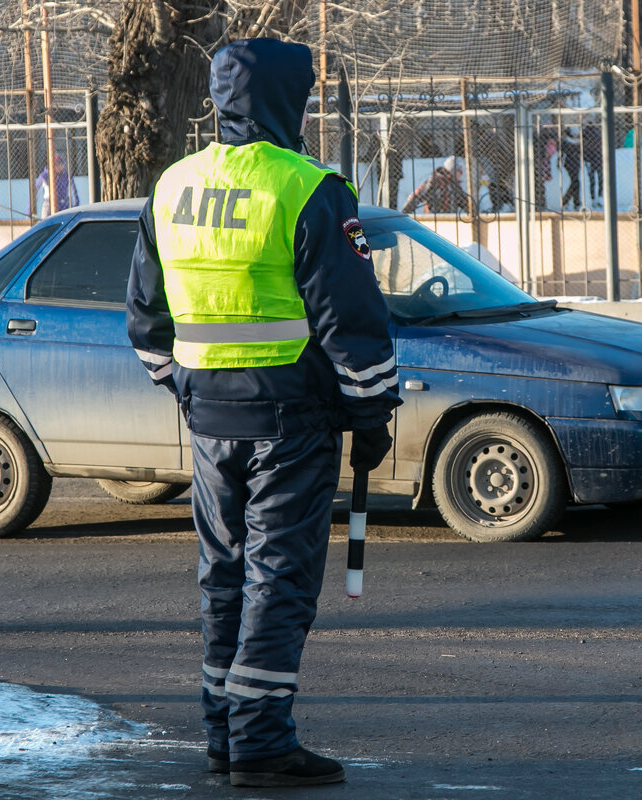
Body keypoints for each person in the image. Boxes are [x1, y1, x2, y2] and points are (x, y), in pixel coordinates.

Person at [126, 38, 401, 788]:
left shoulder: (174, 185)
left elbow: (145, 321)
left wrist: (183, 386)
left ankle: (223, 733)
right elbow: (350, 319)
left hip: (209, 420)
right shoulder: (308, 188)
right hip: (291, 420)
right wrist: (374, 414)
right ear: (290, 102)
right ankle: (261, 744)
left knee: (223, 577)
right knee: (278, 582)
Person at [401, 155, 470, 214]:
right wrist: (405, 212)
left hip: (450, 219)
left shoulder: (454, 186)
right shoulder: (436, 181)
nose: (461, 174)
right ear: (453, 171)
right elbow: (418, 195)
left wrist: (474, 211)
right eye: (459, 170)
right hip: (434, 217)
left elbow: (464, 202)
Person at [31, 152, 79, 218]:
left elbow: (74, 193)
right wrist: (30, 210)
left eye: (61, 164)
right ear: (52, 165)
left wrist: (76, 205)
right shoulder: (45, 176)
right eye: (57, 164)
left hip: (64, 203)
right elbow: (35, 193)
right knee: (46, 220)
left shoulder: (67, 176)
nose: (60, 166)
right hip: (49, 203)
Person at [558, 129, 582, 210]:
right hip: (569, 164)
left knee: (575, 182)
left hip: (576, 163)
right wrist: (559, 161)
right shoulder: (566, 142)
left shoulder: (577, 141)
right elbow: (562, 153)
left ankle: (568, 201)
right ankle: (573, 202)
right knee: (576, 182)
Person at [581, 119, 603, 205]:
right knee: (600, 178)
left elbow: (584, 148)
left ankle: (593, 198)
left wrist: (585, 159)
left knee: (592, 180)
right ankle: (599, 197)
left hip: (590, 159)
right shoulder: (597, 134)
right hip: (598, 159)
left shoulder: (585, 135)